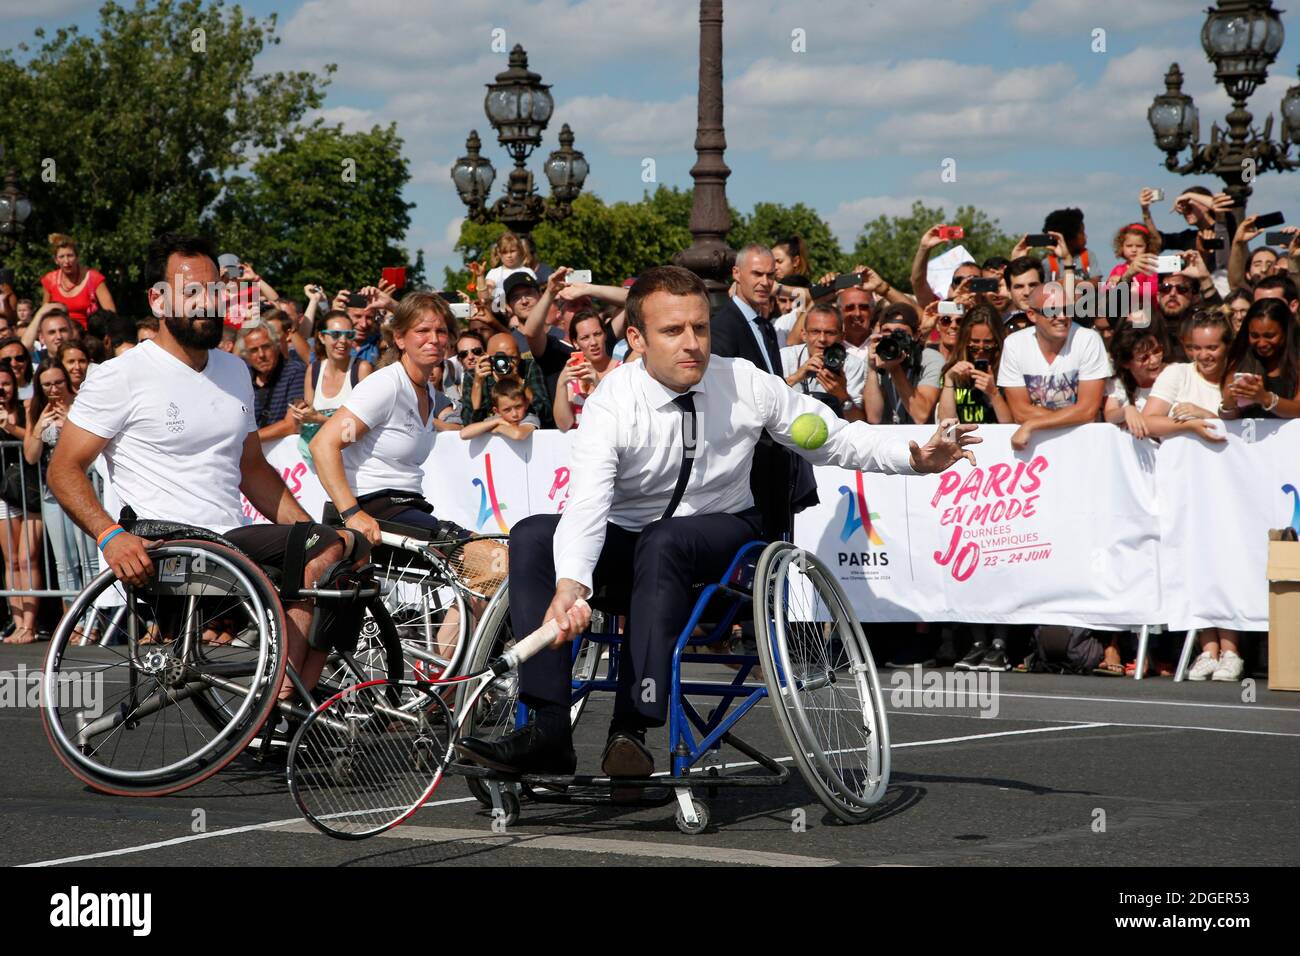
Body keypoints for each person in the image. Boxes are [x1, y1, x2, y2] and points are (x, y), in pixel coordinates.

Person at [454, 265, 980, 778]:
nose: (693, 343)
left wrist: (914, 458)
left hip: (724, 536)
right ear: (636, 338)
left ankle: (631, 729)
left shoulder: (746, 383)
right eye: (673, 330)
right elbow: (587, 502)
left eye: (700, 328)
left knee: (665, 540)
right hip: (632, 541)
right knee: (532, 534)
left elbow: (834, 437)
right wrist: (572, 587)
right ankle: (548, 727)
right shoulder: (612, 401)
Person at [48, 233, 359, 700]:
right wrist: (111, 536)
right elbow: (63, 470)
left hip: (229, 541)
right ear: (158, 299)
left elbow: (252, 469)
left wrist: (307, 528)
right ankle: (280, 705)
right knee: (327, 546)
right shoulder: (121, 375)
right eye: (192, 292)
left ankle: (294, 701)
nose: (207, 304)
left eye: (215, 292)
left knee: (346, 553)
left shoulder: (233, 370)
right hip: (169, 541)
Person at [309, 292, 503, 658]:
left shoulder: (427, 390)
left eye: (442, 331)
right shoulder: (387, 385)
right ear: (399, 338)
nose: (435, 339)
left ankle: (447, 676)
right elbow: (324, 444)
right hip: (376, 509)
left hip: (406, 508)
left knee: (495, 566)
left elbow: (410, 434)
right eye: (423, 330)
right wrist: (353, 513)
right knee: (491, 563)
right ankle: (442, 686)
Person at [997, 283, 1112, 451]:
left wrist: (1033, 423)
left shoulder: (1088, 340)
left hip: (1084, 445)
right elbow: (1020, 412)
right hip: (1035, 446)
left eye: (1067, 309)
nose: (1062, 316)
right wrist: (1072, 417)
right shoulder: (1014, 345)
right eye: (1052, 311)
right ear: (1031, 314)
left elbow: (1088, 410)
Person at [23, 362, 95, 609]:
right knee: (64, 562)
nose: (53, 389)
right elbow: (31, 457)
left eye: (58, 382)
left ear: (66, 381)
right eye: (47, 385)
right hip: (51, 493)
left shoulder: (81, 404)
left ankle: (93, 620)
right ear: (39, 387)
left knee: (89, 559)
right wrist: (39, 428)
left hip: (82, 488)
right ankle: (73, 620)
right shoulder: (36, 409)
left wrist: (69, 425)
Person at [291, 310, 373, 461]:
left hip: (354, 461)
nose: (343, 341)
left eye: (349, 335)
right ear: (322, 337)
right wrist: (301, 415)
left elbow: (365, 427)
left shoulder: (361, 369)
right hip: (317, 459)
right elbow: (309, 417)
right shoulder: (314, 369)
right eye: (335, 334)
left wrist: (320, 418)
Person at [0, 364, 42, 645]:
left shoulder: (28, 407)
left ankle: (30, 624)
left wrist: (10, 427)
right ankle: (17, 624)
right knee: (12, 561)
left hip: (30, 492)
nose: (2, 390)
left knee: (28, 558)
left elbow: (32, 448)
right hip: (3, 494)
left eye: (5, 383)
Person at [779, 303, 866, 422]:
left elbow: (858, 421)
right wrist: (797, 377)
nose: (822, 339)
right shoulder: (785, 357)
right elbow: (768, 400)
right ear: (804, 335)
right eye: (815, 331)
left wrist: (842, 396)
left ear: (842, 336)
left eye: (830, 333)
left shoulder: (853, 364)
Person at [1217, 298, 1300, 421]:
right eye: (1254, 336)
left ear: (1286, 332)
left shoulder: (1296, 362)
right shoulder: (1240, 359)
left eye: (1269, 336)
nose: (1261, 343)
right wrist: (1229, 405)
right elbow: (1229, 416)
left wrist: (1265, 398)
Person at [863, 302, 943, 425]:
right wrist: (872, 369)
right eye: (887, 331)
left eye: (899, 332)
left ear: (916, 335)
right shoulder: (877, 356)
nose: (892, 337)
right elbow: (874, 417)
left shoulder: (930, 359)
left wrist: (895, 369)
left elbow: (920, 416)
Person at [938, 304, 1013, 424]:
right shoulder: (952, 370)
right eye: (974, 343)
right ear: (965, 340)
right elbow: (946, 423)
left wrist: (994, 393)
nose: (981, 349)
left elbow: (1009, 425)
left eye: (988, 343)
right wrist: (949, 379)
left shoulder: (1008, 369)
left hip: (997, 439)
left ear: (997, 341)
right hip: (963, 439)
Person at [461, 329, 552, 427]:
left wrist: (518, 380)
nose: (506, 363)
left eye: (512, 358)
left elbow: (545, 415)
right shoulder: (475, 375)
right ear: (487, 358)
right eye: (500, 359)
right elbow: (468, 423)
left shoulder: (527, 367)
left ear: (520, 356)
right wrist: (478, 384)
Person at [238, 318, 305, 441]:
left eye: (266, 347)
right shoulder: (241, 375)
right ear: (245, 355)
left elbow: (291, 425)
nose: (261, 355)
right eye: (253, 350)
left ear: (276, 345)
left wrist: (245, 441)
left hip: (280, 452)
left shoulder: (295, 372)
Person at [553, 311, 620, 431]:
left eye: (597, 334)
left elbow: (622, 417)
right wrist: (561, 384)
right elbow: (564, 425)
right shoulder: (573, 376)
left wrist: (598, 384)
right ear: (575, 343)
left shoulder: (622, 370)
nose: (593, 342)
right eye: (585, 338)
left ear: (605, 335)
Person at [39, 233, 115, 329]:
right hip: (60, 335)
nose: (66, 261)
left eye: (70, 255)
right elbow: (44, 315)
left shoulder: (94, 278)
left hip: (88, 336)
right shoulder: (49, 280)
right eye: (61, 257)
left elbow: (111, 316)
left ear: (77, 257)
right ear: (56, 260)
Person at [1103, 326, 1167, 440]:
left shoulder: (1174, 373)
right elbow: (1109, 415)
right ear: (1126, 363)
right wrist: (1127, 411)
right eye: (1144, 358)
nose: (1154, 360)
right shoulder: (1119, 383)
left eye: (1157, 351)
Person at [461, 377, 541, 440]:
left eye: (518, 406)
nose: (514, 414)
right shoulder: (496, 420)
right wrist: (496, 421)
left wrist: (497, 428)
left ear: (526, 404)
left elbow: (518, 435)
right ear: (497, 411)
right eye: (507, 410)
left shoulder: (529, 418)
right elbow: (464, 434)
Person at [0, 337, 35, 402]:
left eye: (19, 358)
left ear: (27, 360)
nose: (14, 364)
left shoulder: (38, 391)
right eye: (6, 360)